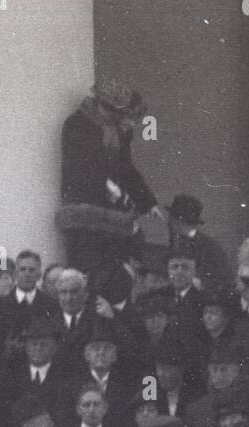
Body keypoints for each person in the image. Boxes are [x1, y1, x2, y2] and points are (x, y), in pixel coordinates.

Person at [59, 78, 159, 287]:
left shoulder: (119, 133)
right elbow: (77, 166)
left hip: (109, 212)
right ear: (113, 111)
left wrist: (147, 202)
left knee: (110, 273)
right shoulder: (76, 125)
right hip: (84, 210)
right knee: (86, 271)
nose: (131, 123)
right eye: (128, 117)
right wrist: (105, 184)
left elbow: (126, 168)